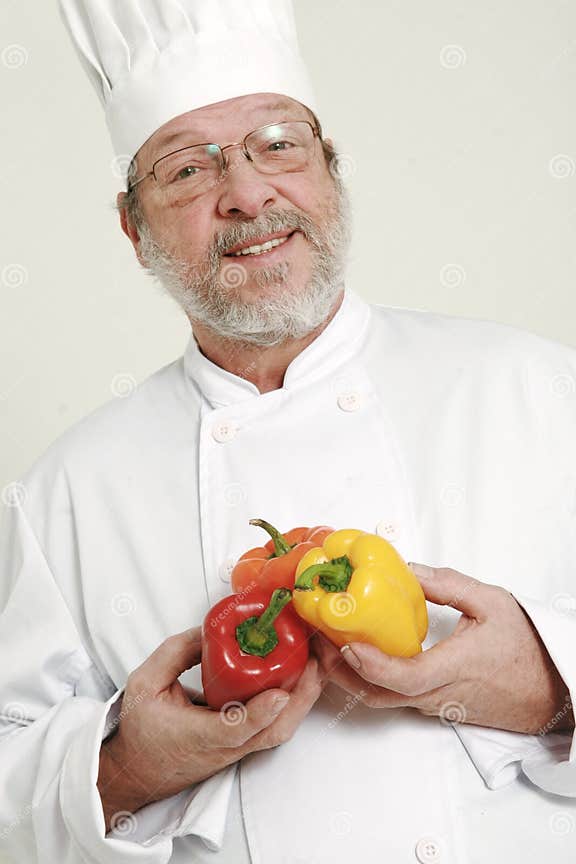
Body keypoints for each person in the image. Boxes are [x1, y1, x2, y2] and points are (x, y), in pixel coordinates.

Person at [1, 1, 575, 862]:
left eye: (278, 144)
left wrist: (549, 682)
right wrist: (126, 767)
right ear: (134, 229)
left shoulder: (539, 388)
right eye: (186, 169)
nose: (246, 194)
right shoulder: (66, 493)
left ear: (330, 172)